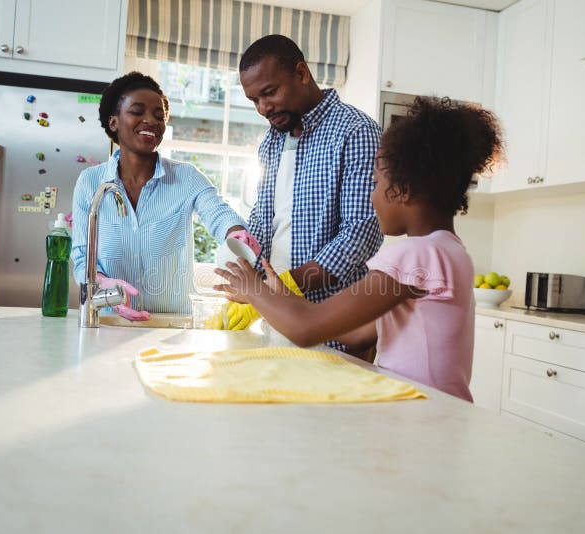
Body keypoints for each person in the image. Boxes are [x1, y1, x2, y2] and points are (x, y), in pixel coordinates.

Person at [215, 96, 503, 401]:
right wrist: (278, 292)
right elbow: (355, 333)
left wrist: (253, 288)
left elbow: (306, 329)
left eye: (376, 184)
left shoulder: (415, 257)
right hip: (435, 410)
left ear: (403, 190)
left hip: (423, 416)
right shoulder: (450, 251)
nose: (371, 197)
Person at [226, 34, 383, 333]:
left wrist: (285, 286)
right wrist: (253, 287)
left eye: (269, 92)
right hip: (275, 320)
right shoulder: (271, 142)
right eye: (254, 100)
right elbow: (264, 219)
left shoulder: (356, 132)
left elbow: (361, 233)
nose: (263, 108)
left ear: (301, 73)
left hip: (334, 325)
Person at [71, 72, 259, 319]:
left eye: (159, 116)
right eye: (138, 112)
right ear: (114, 122)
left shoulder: (186, 178)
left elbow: (219, 214)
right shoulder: (91, 182)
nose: (150, 121)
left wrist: (237, 235)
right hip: (109, 320)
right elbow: (82, 256)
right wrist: (104, 286)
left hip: (173, 324)